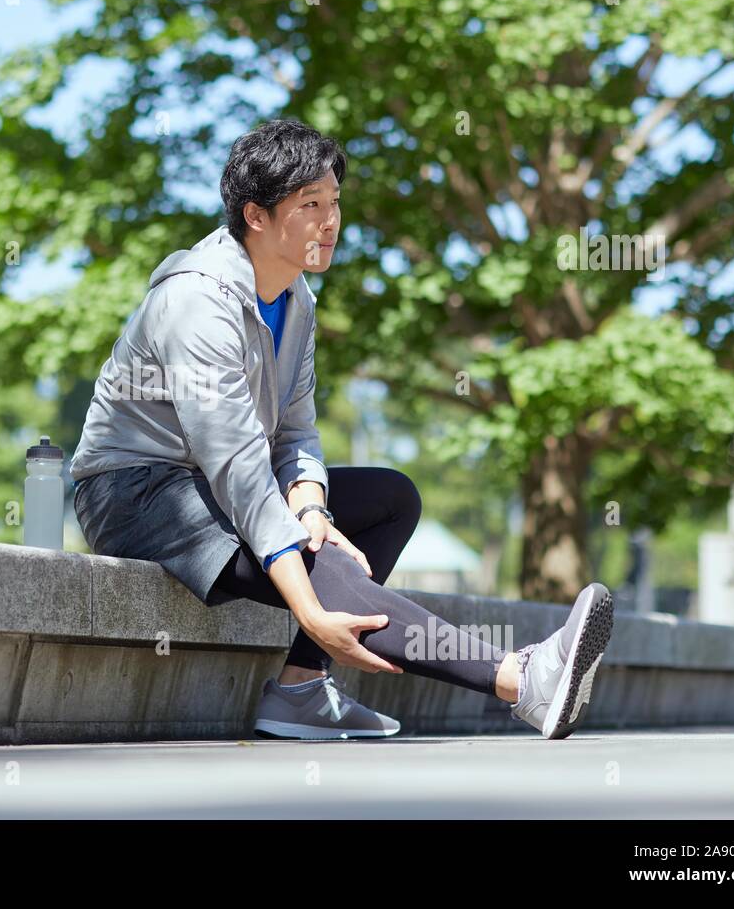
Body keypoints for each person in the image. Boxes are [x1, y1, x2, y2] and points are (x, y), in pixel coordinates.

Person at [70, 118, 613, 740]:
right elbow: (237, 464)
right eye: (310, 205)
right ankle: (521, 679)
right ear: (255, 215)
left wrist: (312, 508)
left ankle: (300, 689)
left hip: (216, 485)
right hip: (137, 495)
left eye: (334, 202)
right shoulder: (196, 301)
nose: (331, 222)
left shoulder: (295, 297)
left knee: (390, 498)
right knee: (321, 561)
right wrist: (309, 606)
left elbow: (295, 432)